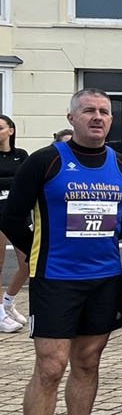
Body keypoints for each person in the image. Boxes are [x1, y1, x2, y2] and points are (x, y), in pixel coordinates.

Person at [5, 90, 122, 415]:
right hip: (56, 279)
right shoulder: (46, 160)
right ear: (72, 116)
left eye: (104, 112)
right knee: (50, 366)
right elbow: (9, 214)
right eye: (89, 111)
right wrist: (34, 250)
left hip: (105, 278)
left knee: (87, 362)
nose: (97, 117)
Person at [0, 113, 31, 332]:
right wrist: (13, 181)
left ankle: (8, 302)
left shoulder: (21, 155)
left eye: (1, 128)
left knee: (28, 260)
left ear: (10, 130)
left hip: (18, 211)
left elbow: (25, 178)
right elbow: (18, 179)